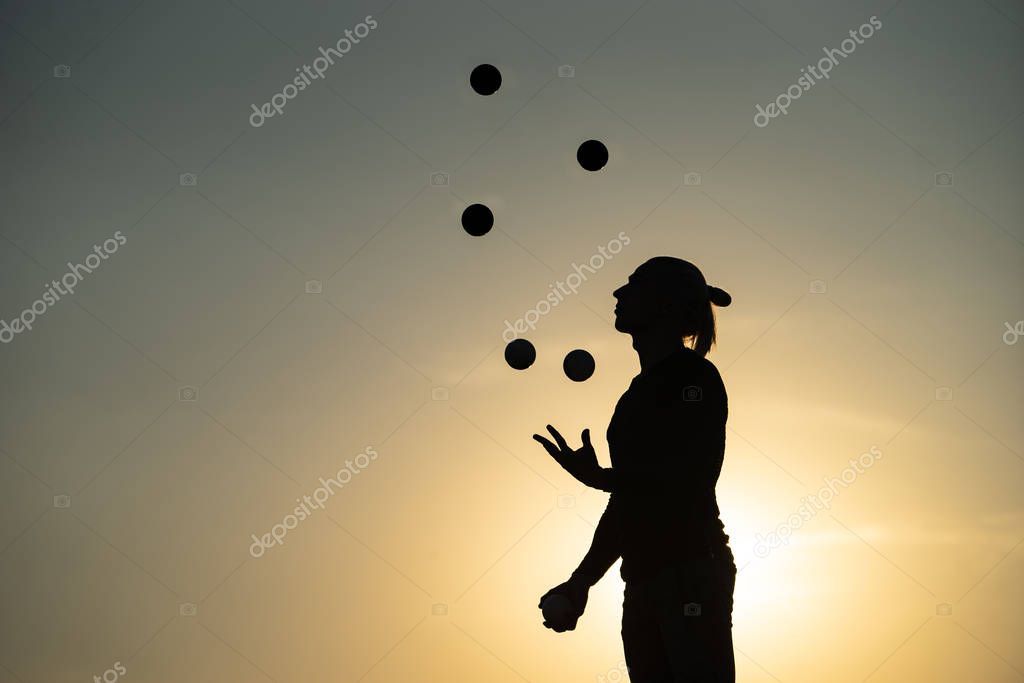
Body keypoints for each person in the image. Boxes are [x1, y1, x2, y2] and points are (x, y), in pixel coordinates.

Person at [533, 256, 736, 683]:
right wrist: (581, 581)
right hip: (644, 579)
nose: (618, 293)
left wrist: (602, 478)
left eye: (634, 285)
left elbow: (687, 477)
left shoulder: (695, 379)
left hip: (691, 572)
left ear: (665, 304)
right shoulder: (633, 397)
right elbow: (628, 503)